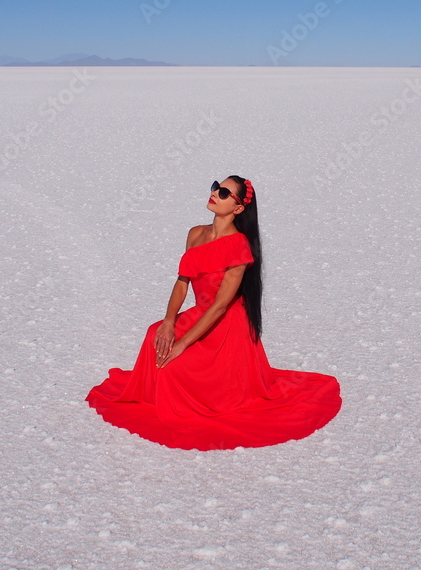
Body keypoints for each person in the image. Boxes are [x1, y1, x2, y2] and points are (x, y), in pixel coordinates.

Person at [86, 176, 342, 450]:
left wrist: (184, 343)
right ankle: (159, 389)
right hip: (200, 313)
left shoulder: (239, 246)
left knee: (175, 364)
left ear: (238, 208)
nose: (214, 195)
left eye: (223, 193)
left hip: (228, 324)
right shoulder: (195, 233)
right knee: (154, 333)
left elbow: (221, 305)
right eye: (215, 187)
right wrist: (169, 321)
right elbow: (182, 282)